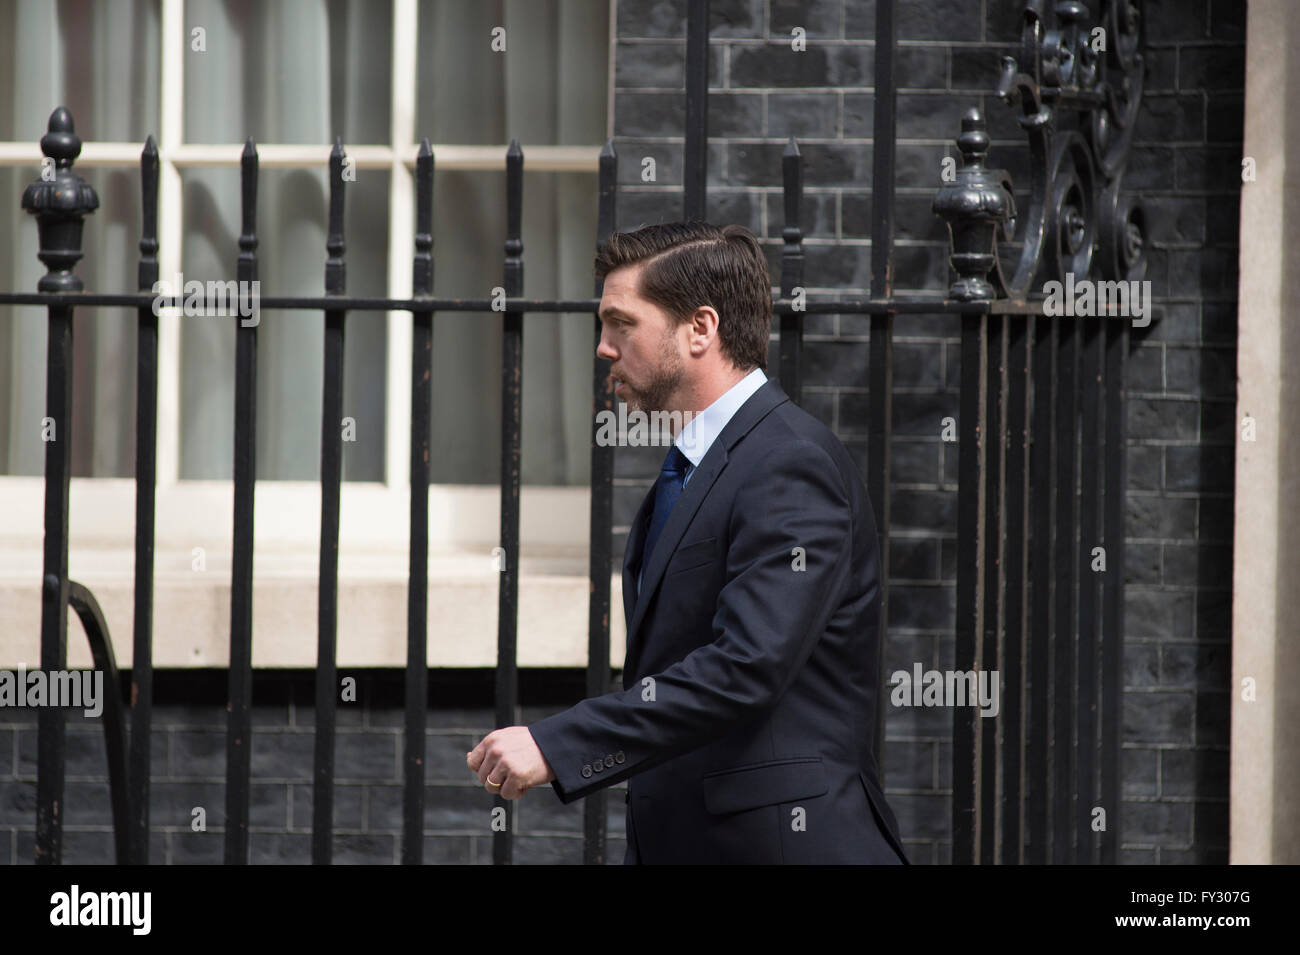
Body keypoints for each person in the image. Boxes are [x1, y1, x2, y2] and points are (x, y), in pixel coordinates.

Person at [466, 221, 908, 864]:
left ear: (700, 329)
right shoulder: (702, 464)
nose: (603, 348)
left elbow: (747, 665)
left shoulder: (788, 462)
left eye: (621, 323)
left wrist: (559, 744)